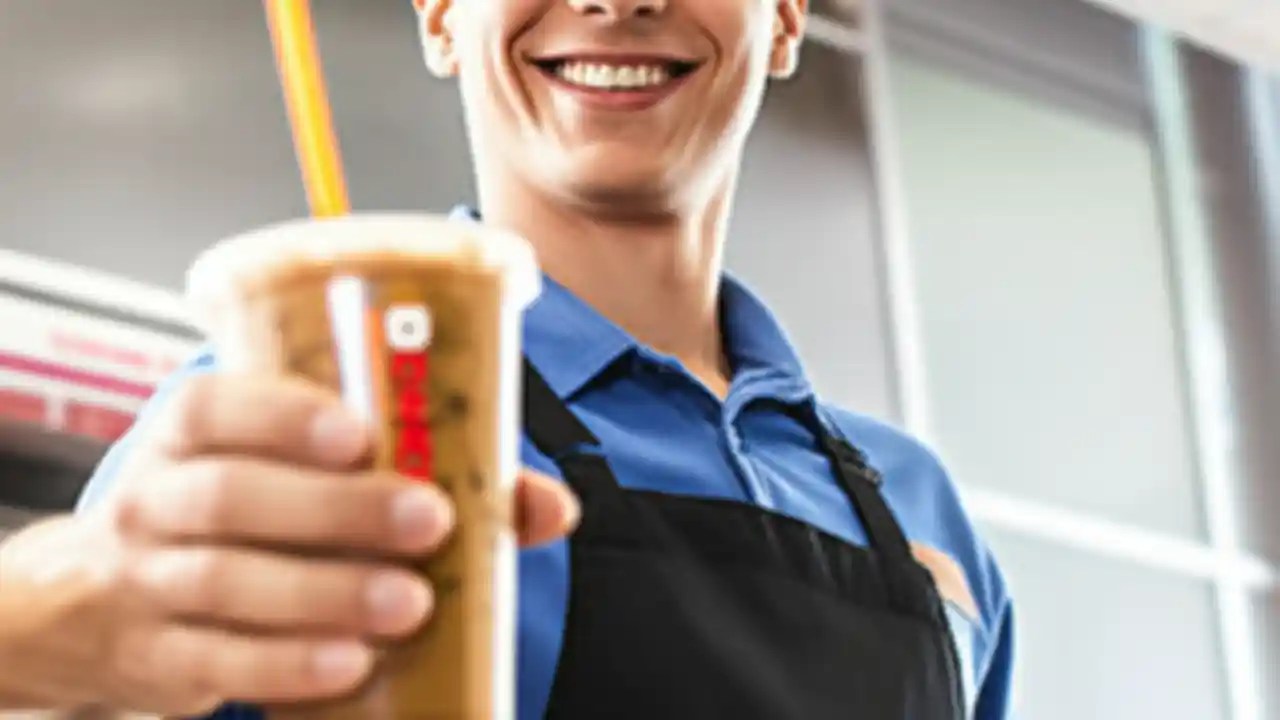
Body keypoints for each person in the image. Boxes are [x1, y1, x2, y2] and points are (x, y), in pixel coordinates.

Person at [0, 0, 1016, 717]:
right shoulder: (292, 424)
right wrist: (52, 644)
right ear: (439, 13)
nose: (617, 1)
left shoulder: (918, 507)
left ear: (786, 15)